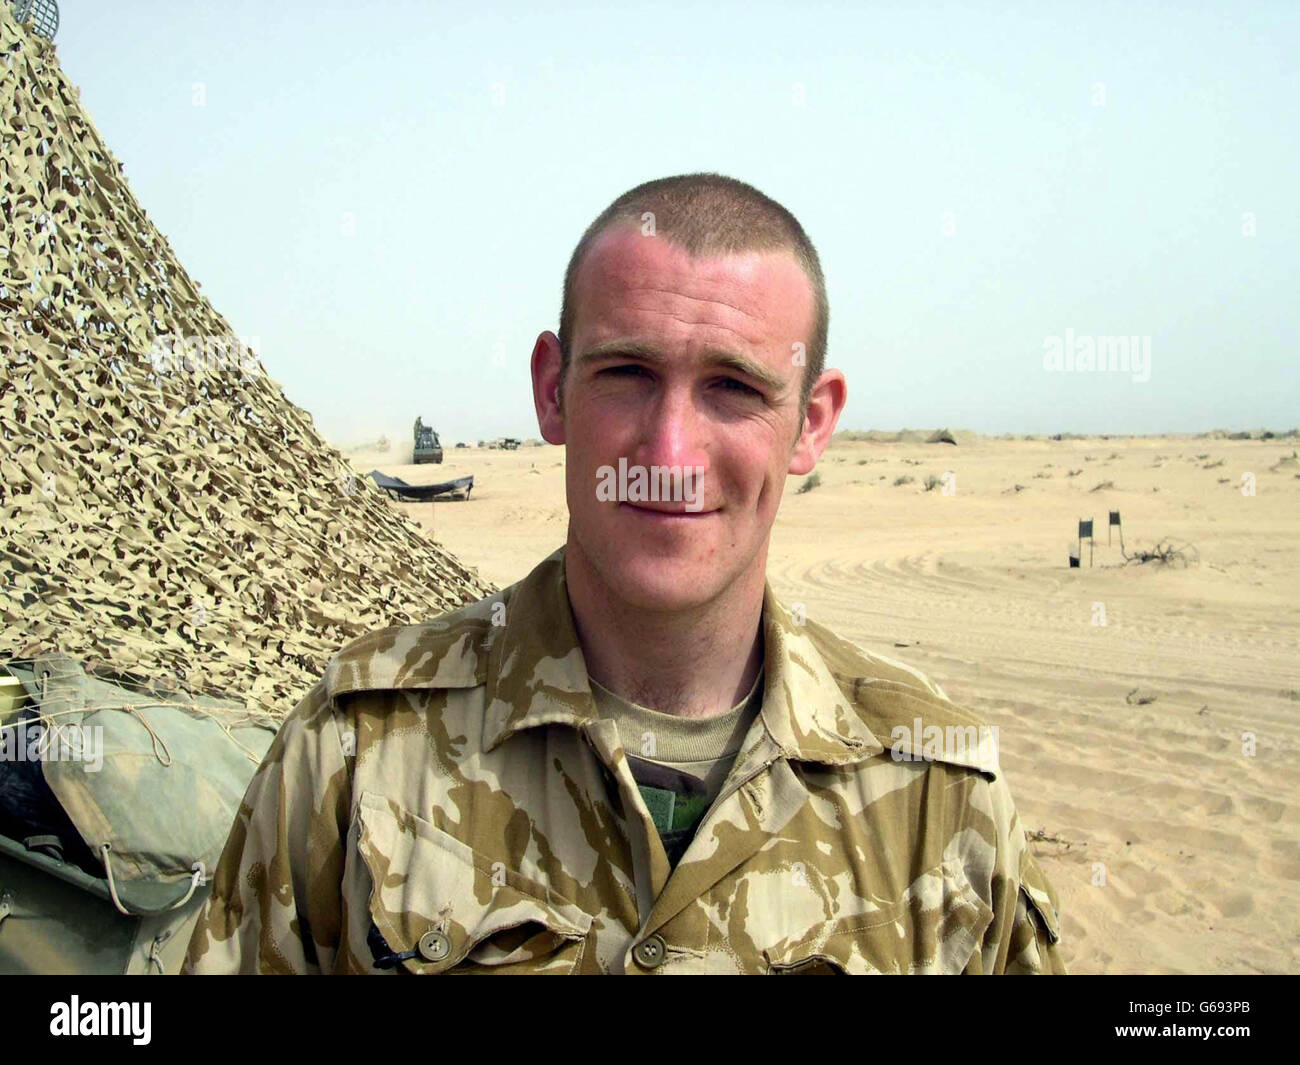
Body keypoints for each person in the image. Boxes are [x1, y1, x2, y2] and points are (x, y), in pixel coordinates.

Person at [182, 173, 1065, 974]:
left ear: (810, 423)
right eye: (628, 373)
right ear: (553, 391)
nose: (670, 453)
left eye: (733, 388)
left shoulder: (939, 799)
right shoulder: (359, 751)